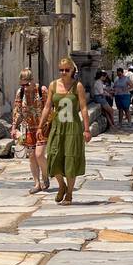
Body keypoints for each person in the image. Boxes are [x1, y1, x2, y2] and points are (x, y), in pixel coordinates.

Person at [40, 57, 91, 205]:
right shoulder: (53, 85)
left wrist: (87, 129)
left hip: (73, 127)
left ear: (72, 70)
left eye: (67, 70)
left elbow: (83, 108)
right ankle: (62, 186)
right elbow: (48, 107)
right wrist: (40, 126)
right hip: (57, 126)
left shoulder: (78, 86)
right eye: (61, 70)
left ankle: (69, 194)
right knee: (53, 156)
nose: (63, 72)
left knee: (70, 158)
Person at [11, 68, 49, 193]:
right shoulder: (20, 93)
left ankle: (45, 175)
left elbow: (49, 108)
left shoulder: (42, 91)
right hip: (28, 128)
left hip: (42, 127)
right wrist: (14, 127)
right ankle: (37, 183)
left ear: (32, 80)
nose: (25, 87)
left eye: (27, 84)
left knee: (39, 154)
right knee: (32, 156)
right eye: (22, 85)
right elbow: (17, 111)